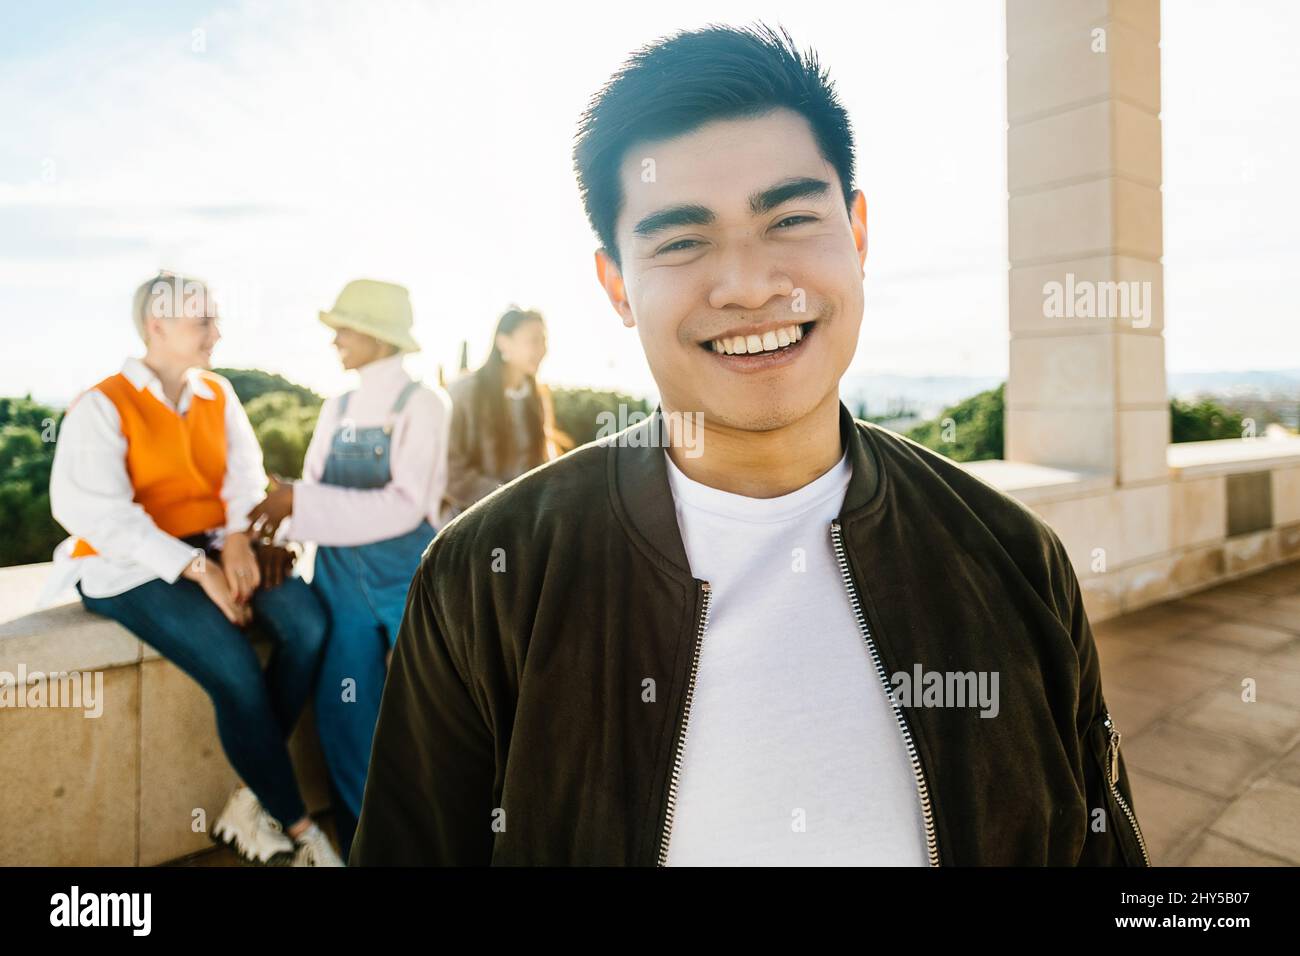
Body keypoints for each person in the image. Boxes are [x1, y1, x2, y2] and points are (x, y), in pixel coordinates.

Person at [350, 25, 1148, 866]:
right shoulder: (487, 579)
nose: (749, 284)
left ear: (859, 232)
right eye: (682, 240)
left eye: (792, 218)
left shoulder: (1015, 557)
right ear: (617, 285)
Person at [46, 271, 341, 866]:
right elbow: (96, 514)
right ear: (157, 326)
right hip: (125, 567)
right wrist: (199, 571)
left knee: (308, 626)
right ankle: (303, 830)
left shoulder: (219, 393)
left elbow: (241, 475)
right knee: (234, 666)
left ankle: (252, 799)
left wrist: (234, 542)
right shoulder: (101, 405)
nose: (216, 331)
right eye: (201, 319)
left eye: (217, 317)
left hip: (208, 546)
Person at [247, 278, 451, 861]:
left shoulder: (425, 404)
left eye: (345, 327)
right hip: (338, 591)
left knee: (423, 726)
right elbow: (307, 493)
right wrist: (280, 532)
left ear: (379, 337)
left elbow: (406, 504)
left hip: (405, 586)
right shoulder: (335, 407)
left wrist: (299, 506)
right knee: (346, 722)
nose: (334, 337)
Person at [444, 307, 567, 514]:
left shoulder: (535, 396)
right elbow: (450, 470)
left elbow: (543, 463)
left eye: (544, 340)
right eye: (533, 340)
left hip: (523, 519)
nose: (542, 349)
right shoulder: (464, 392)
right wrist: (508, 499)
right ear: (503, 342)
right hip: (470, 521)